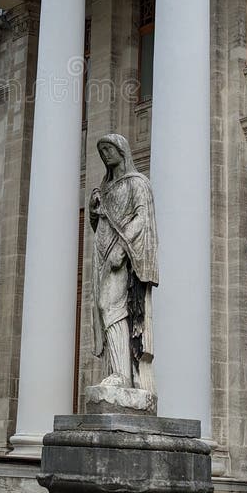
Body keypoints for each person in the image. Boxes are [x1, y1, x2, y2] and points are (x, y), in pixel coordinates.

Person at [89, 134, 158, 392]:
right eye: (102, 151)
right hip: (102, 256)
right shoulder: (105, 188)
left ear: (122, 151)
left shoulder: (137, 184)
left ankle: (122, 375)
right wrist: (94, 209)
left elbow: (143, 218)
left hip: (122, 255)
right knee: (102, 306)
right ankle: (116, 370)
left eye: (110, 149)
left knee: (112, 306)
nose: (106, 154)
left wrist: (123, 246)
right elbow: (99, 226)